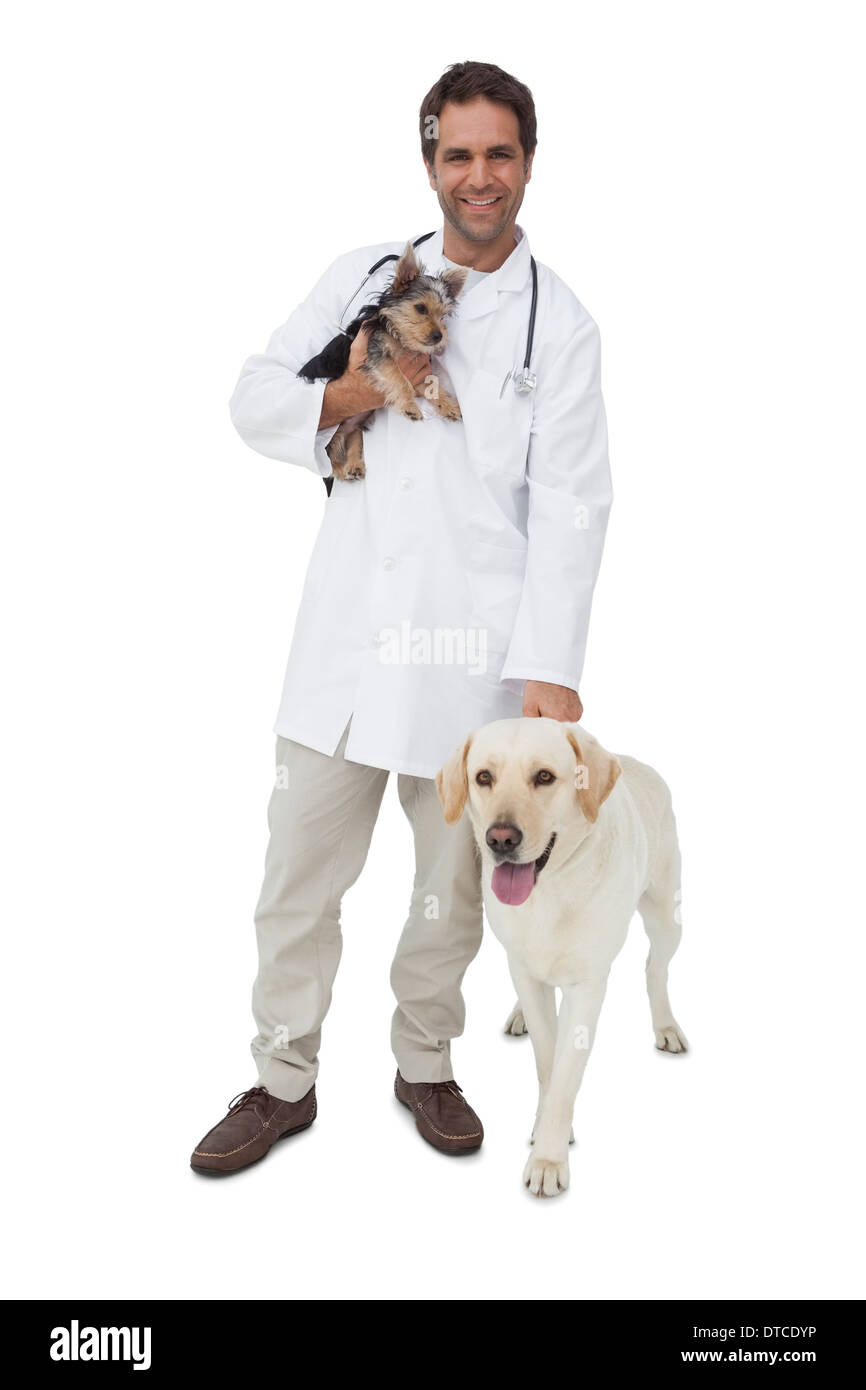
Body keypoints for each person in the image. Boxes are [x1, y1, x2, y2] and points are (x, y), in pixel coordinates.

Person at [190, 60, 613, 1176]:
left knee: (449, 898)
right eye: (458, 154)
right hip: (341, 647)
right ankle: (282, 1078)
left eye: (500, 154)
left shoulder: (557, 328)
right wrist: (357, 390)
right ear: (429, 162)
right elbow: (252, 394)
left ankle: (424, 1062)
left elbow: (571, 504)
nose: (480, 176)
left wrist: (548, 671)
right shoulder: (362, 275)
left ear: (527, 161)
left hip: (468, 675)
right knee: (294, 883)